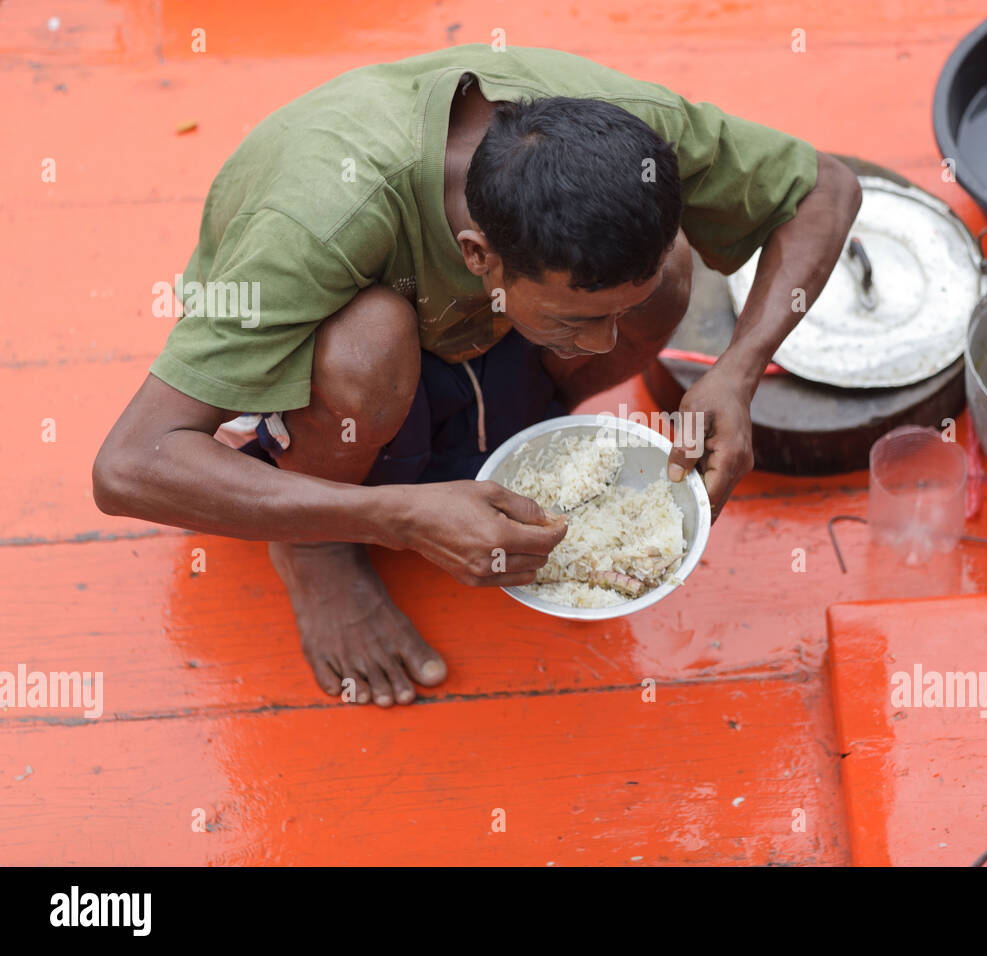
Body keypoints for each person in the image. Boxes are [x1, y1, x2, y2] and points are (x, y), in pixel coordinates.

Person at [92, 45, 862, 706]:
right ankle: (317, 551)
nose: (604, 346)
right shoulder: (318, 220)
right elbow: (129, 465)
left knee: (667, 273)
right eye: (575, 322)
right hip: (340, 361)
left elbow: (826, 187)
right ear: (477, 255)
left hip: (486, 323)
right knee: (369, 343)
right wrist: (398, 518)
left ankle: (516, 425)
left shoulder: (634, 129)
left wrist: (737, 370)